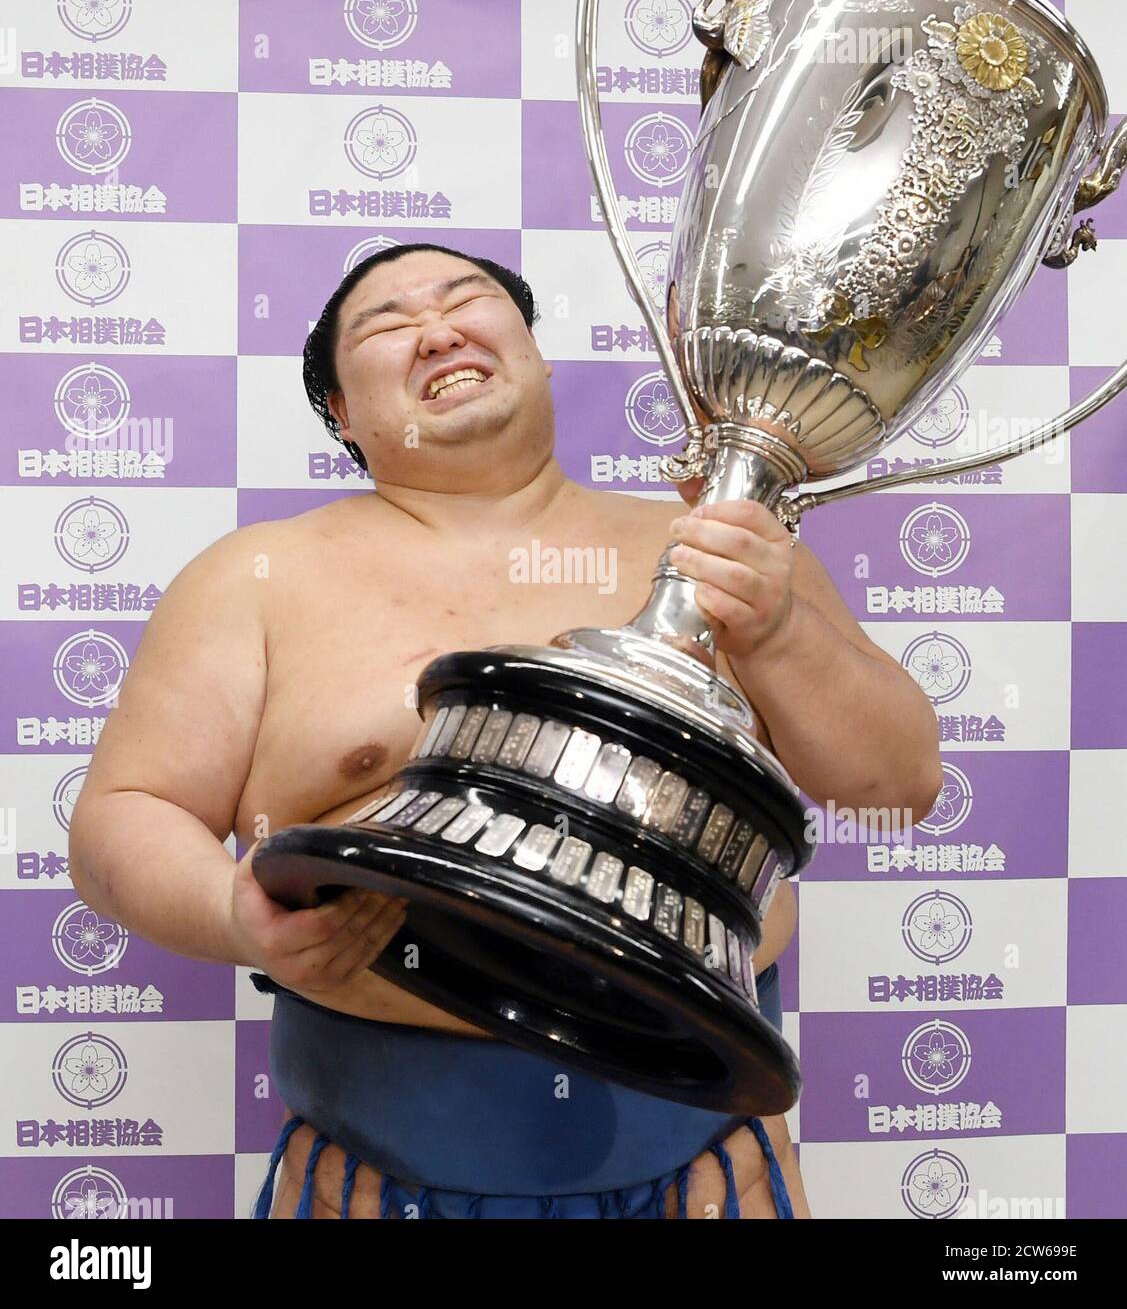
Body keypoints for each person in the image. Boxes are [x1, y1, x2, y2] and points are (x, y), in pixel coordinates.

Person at [69, 242, 943, 1219]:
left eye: (468, 301)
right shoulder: (255, 578)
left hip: (701, 1171)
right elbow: (123, 820)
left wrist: (778, 629)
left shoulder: (718, 547)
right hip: (377, 1175)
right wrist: (233, 915)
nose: (437, 328)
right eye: (386, 323)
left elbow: (894, 789)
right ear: (340, 414)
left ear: (537, 356)